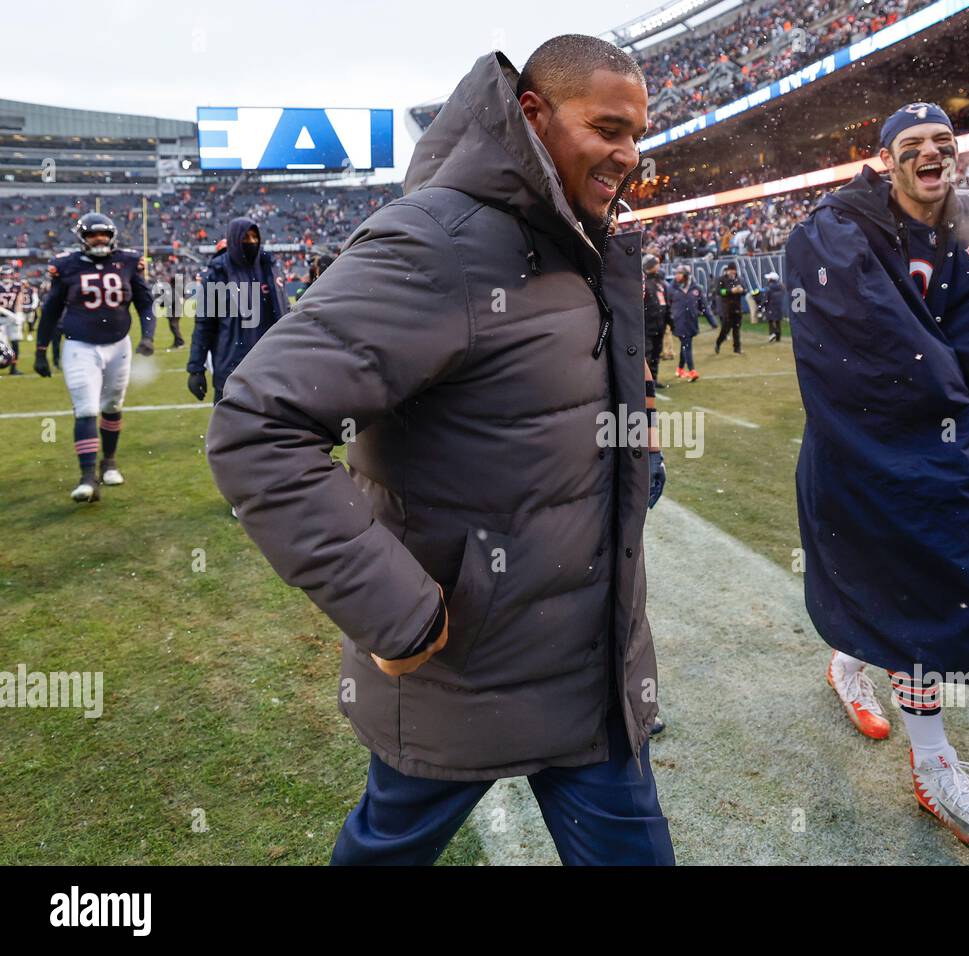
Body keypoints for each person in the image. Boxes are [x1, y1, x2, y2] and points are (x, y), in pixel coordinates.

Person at [205, 36, 673, 867]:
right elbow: (257, 423)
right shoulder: (440, 241)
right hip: (464, 664)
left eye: (637, 132)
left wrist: (633, 461)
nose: (629, 155)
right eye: (607, 128)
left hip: (592, 669)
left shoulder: (577, 232)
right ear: (533, 115)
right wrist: (398, 610)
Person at [787, 102, 969, 851]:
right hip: (868, 446)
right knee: (919, 598)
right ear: (884, 158)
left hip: (950, 441)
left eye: (942, 143)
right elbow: (869, 352)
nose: (929, 154)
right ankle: (934, 763)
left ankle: (851, 661)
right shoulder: (836, 228)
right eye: (910, 144)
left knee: (913, 590)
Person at [34, 213, 156, 502]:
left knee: (113, 405)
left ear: (112, 236)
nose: (98, 239)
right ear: (83, 238)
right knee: (86, 408)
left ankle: (109, 462)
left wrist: (148, 336)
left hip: (119, 345)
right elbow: (51, 309)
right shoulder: (66, 265)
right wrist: (40, 350)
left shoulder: (127, 261)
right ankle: (87, 477)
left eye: (103, 234)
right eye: (92, 235)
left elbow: (145, 303)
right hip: (80, 346)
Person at [185, 218, 286, 405]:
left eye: (255, 236)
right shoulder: (219, 272)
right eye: (246, 237)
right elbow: (205, 323)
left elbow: (285, 315)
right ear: (234, 238)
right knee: (228, 430)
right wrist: (196, 368)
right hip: (232, 363)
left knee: (271, 429)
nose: (252, 241)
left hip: (270, 364)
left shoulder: (268, 267)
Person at [668, 262, 711, 380]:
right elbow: (667, 306)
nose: (677, 276)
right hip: (679, 322)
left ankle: (680, 369)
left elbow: (704, 306)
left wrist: (712, 321)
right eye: (676, 273)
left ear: (686, 275)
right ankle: (692, 370)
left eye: (679, 273)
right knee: (687, 345)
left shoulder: (697, 288)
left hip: (691, 322)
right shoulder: (671, 289)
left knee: (684, 345)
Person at [642, 254, 670, 386]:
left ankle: (653, 380)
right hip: (647, 325)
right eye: (656, 263)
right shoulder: (642, 283)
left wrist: (670, 321)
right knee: (647, 354)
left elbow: (665, 303)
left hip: (660, 324)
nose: (659, 266)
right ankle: (645, 382)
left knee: (656, 353)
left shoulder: (659, 282)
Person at [713, 261, 745, 354]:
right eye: (730, 270)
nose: (732, 272)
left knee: (736, 328)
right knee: (725, 329)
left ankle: (737, 348)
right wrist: (730, 291)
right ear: (727, 271)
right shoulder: (721, 279)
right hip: (726, 308)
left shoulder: (739, 279)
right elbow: (719, 291)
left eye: (733, 270)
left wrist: (741, 290)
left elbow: (745, 290)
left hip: (737, 307)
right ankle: (718, 343)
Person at [0, 265, 23, 375]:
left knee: (15, 343)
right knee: (1, 345)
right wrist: (11, 314)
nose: (6, 276)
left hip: (12, 319)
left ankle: (13, 368)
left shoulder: (17, 286)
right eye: (4, 274)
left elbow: (19, 301)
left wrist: (18, 314)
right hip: (1, 319)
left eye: (8, 274)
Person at [761, 271, 786, 342]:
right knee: (778, 322)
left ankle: (772, 334)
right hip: (779, 307)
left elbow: (766, 299)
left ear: (771, 279)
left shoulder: (769, 288)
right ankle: (778, 336)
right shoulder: (782, 287)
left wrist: (761, 306)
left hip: (770, 307)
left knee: (770, 321)